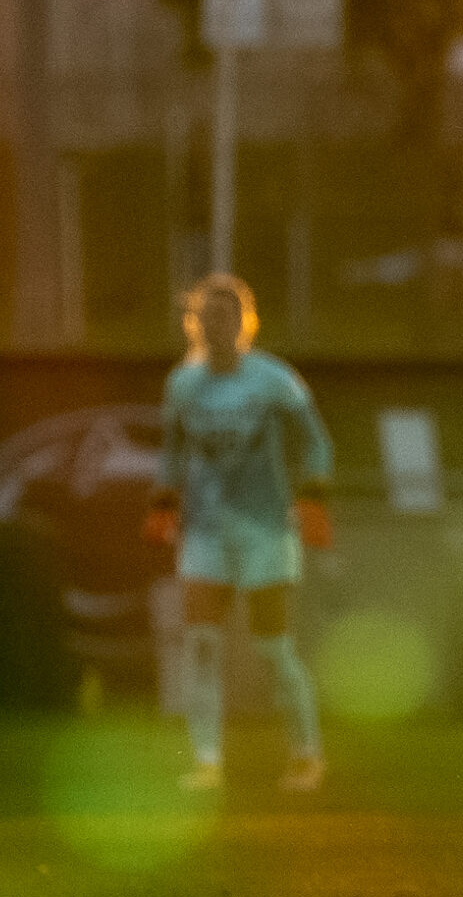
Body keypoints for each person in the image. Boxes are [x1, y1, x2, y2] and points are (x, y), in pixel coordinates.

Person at [144, 273, 336, 794]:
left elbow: (317, 442)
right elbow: (174, 452)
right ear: (195, 324)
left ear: (244, 322)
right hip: (205, 529)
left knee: (273, 646)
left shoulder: (273, 379)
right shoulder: (183, 384)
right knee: (201, 644)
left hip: (265, 527)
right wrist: (163, 501)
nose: (216, 325)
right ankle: (207, 762)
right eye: (207, 316)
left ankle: (307, 755)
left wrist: (313, 495)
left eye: (226, 316)